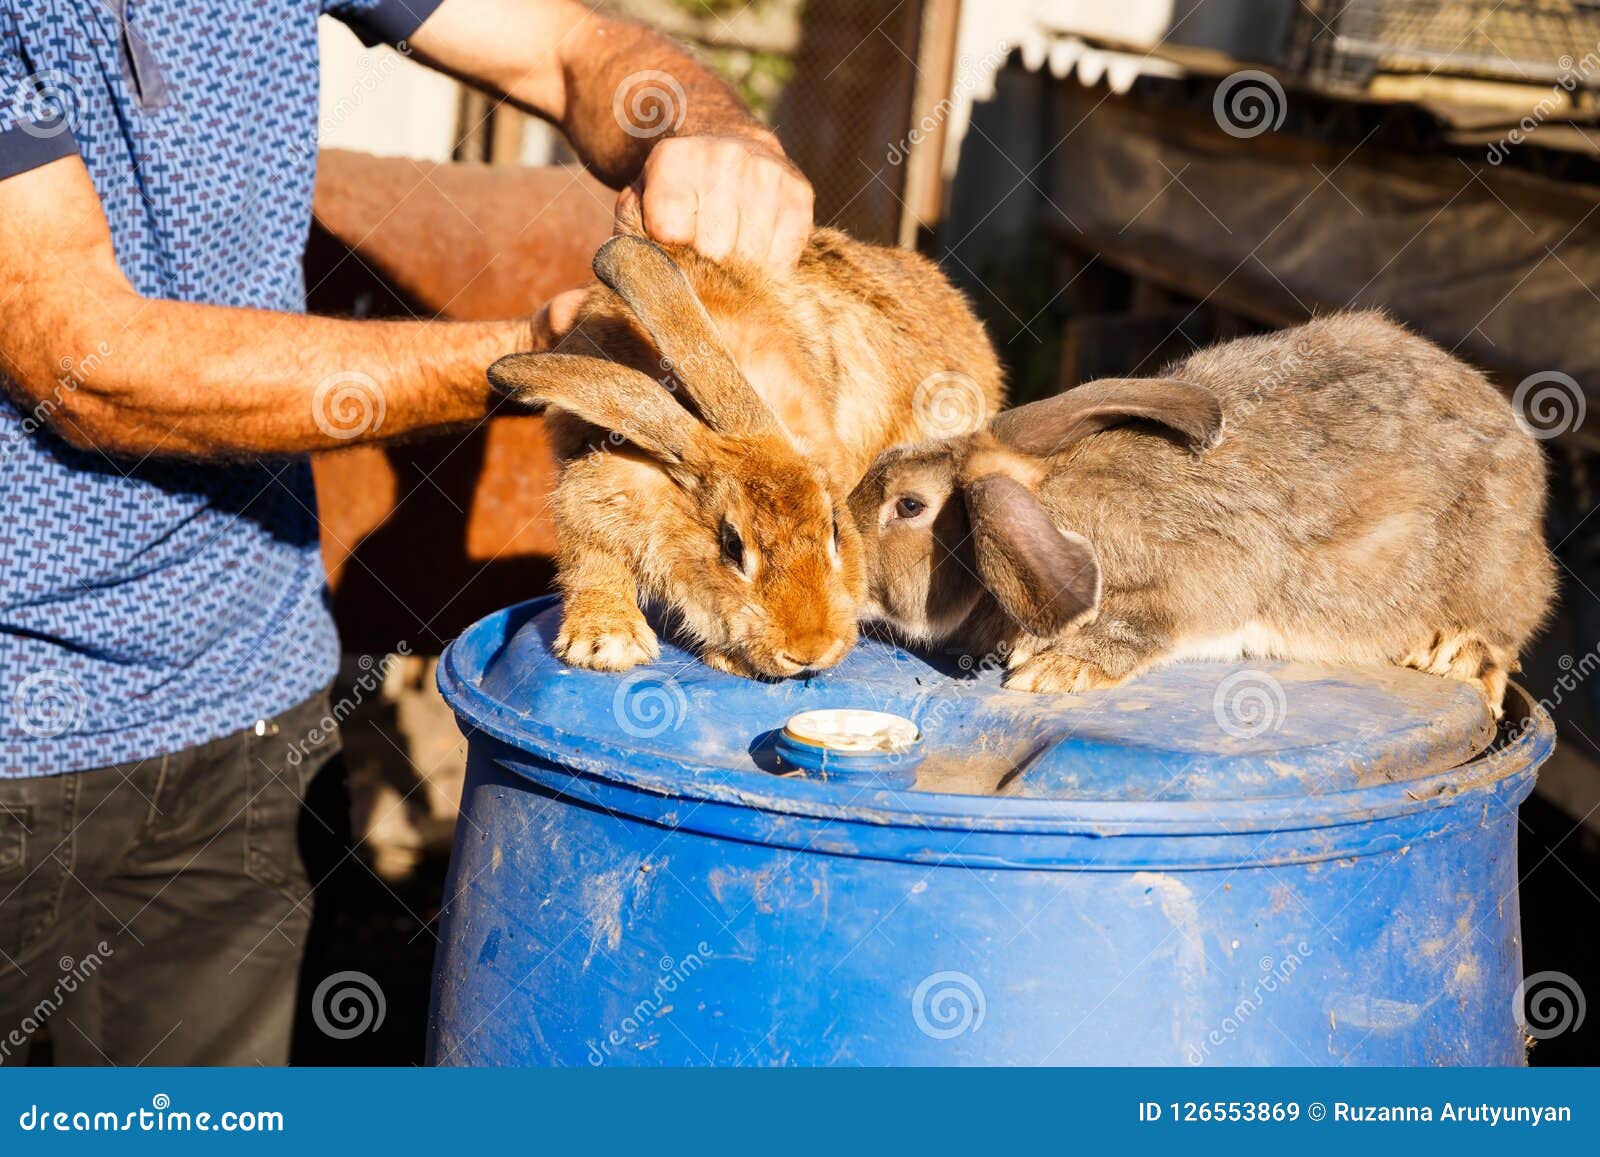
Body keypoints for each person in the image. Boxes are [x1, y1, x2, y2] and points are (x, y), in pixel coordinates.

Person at [0, 0, 812, 1065]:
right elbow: (88, 363)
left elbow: (564, 49)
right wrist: (534, 355)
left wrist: (707, 130)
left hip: (245, 700)